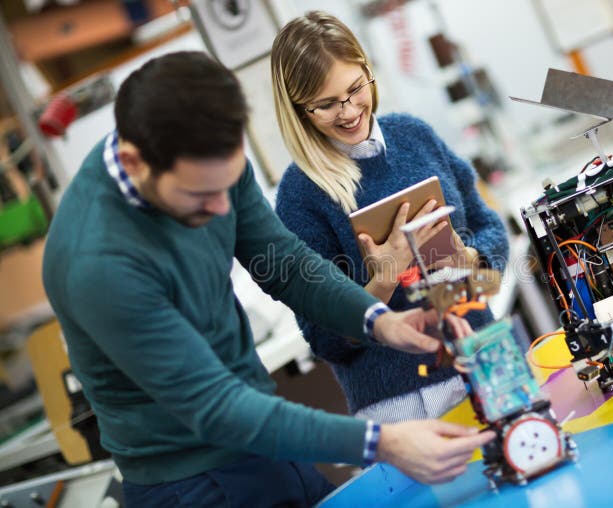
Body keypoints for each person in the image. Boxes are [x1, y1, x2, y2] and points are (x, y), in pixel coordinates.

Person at [41, 51, 494, 508]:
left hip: (268, 435)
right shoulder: (99, 265)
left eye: (230, 185)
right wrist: (386, 443)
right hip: (189, 480)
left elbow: (284, 260)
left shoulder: (205, 149)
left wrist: (376, 319)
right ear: (133, 162)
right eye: (200, 195)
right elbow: (215, 409)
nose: (223, 210)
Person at [271, 11, 509, 423]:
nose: (347, 112)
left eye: (354, 89)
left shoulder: (414, 136)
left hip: (488, 359)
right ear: (298, 110)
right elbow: (324, 339)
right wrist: (382, 281)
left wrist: (468, 259)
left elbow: (492, 230)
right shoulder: (299, 195)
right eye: (325, 105)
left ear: (367, 69)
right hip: (406, 407)